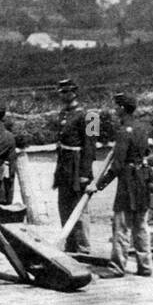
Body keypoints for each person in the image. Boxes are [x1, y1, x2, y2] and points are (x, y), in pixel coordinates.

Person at [89, 92, 153, 277]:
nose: (114, 109)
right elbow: (146, 151)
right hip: (143, 179)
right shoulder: (142, 128)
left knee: (121, 224)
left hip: (128, 182)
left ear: (122, 108)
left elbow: (117, 166)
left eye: (116, 106)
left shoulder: (124, 131)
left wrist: (98, 185)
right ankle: (145, 266)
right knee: (141, 225)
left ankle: (117, 267)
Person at [52, 79, 95, 254]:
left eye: (66, 92)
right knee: (64, 208)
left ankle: (83, 249)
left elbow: (91, 146)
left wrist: (85, 173)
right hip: (64, 167)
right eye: (61, 92)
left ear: (74, 92)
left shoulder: (91, 116)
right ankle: (70, 247)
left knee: (79, 210)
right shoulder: (63, 114)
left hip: (78, 168)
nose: (62, 95)